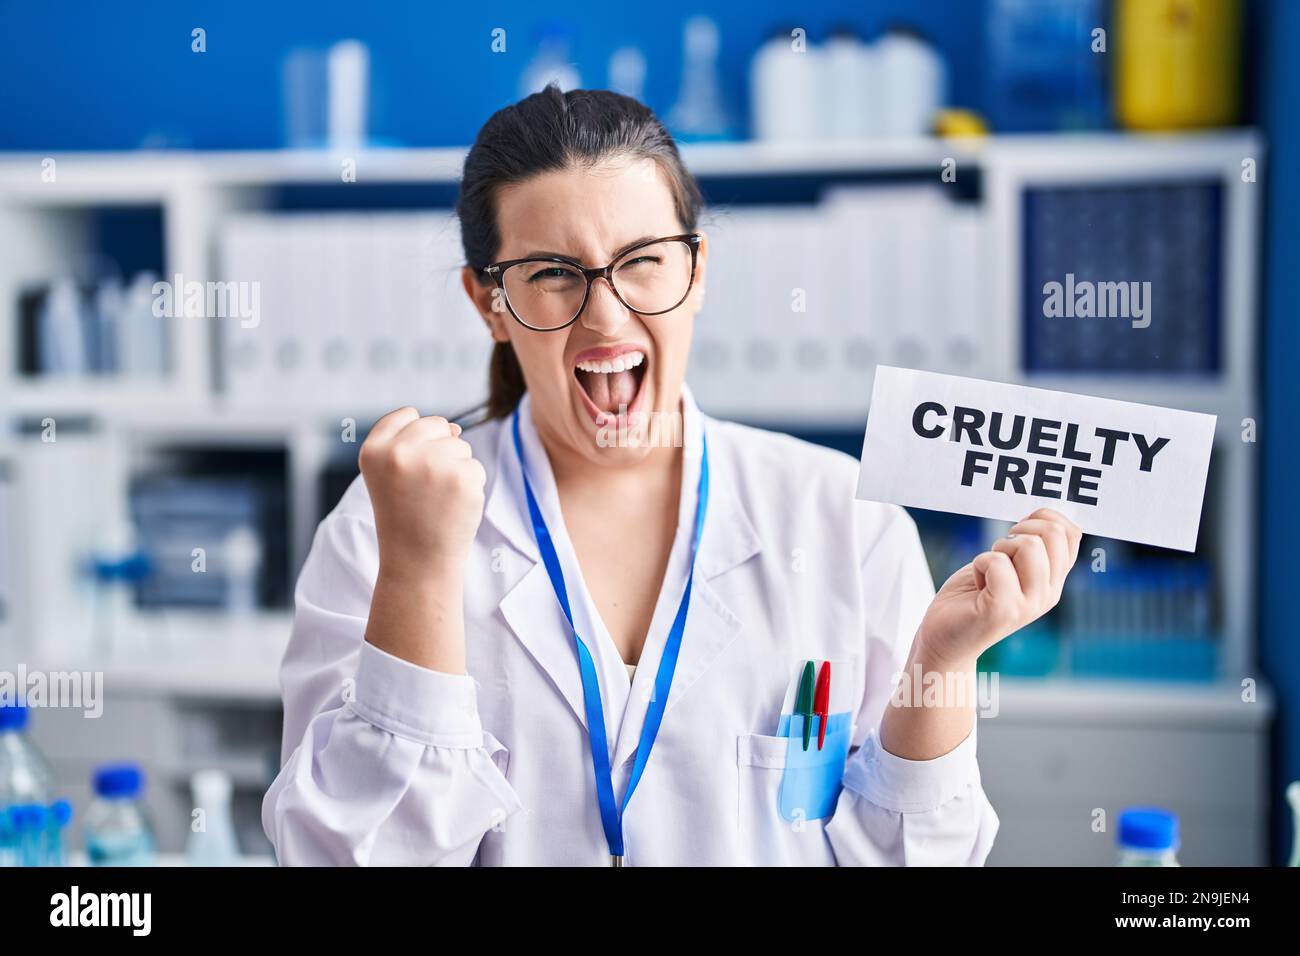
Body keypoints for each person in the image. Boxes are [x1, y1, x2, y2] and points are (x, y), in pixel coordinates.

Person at [262, 86, 1082, 866]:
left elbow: (912, 860)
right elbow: (344, 856)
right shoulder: (380, 529)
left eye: (644, 260)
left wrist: (941, 661)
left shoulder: (846, 520)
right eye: (552, 273)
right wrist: (421, 570)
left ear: (698, 271)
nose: (607, 316)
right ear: (490, 304)